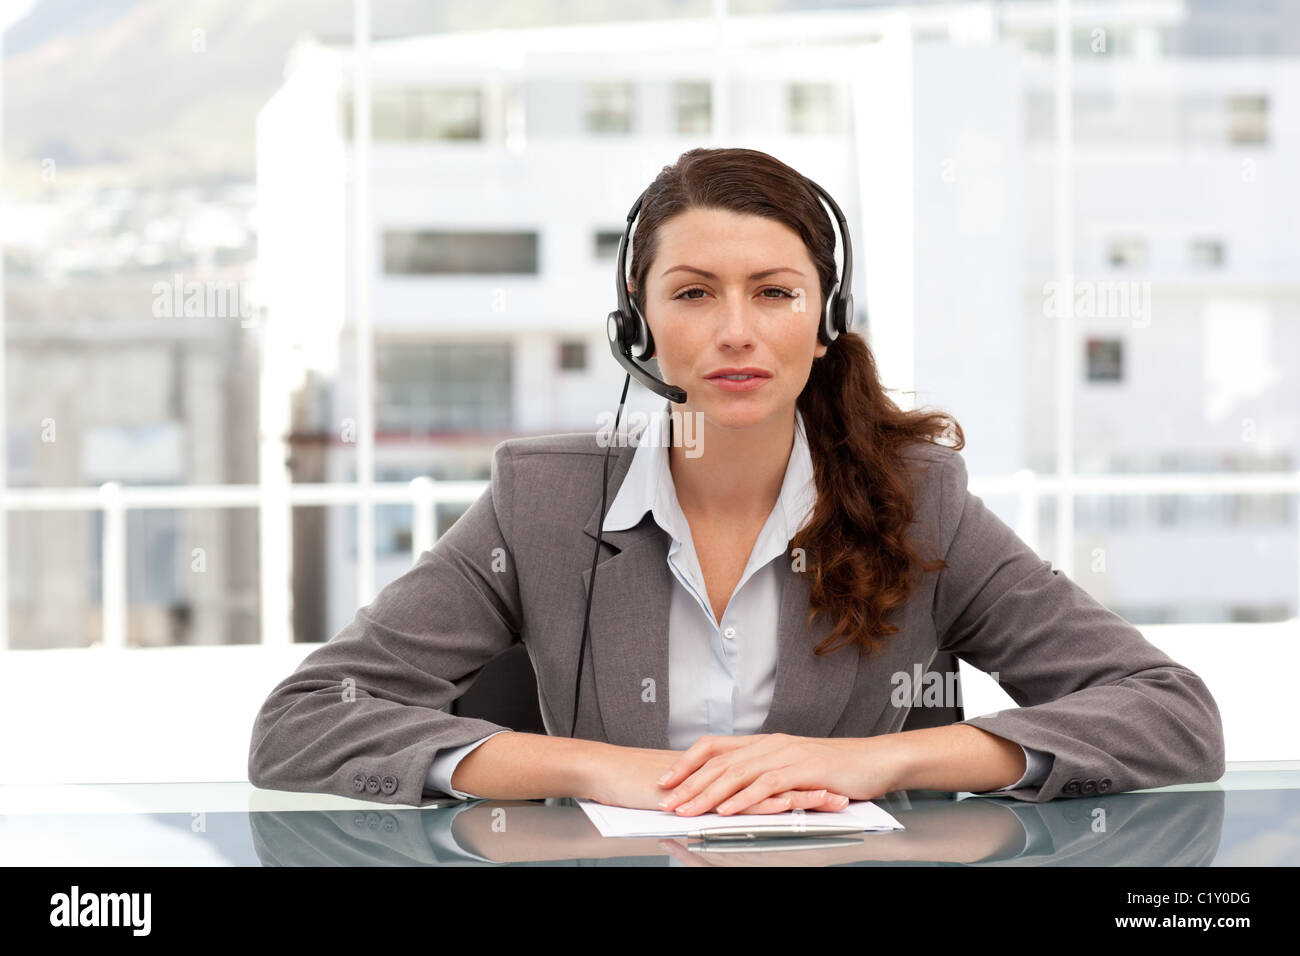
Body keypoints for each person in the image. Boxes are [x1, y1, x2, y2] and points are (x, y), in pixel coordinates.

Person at [248, 147, 1225, 816]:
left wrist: (870, 762)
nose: (735, 332)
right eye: (692, 293)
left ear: (825, 312)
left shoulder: (921, 501)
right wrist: (602, 771)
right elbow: (302, 721)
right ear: (638, 321)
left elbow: (1170, 712)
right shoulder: (540, 501)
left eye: (773, 292)